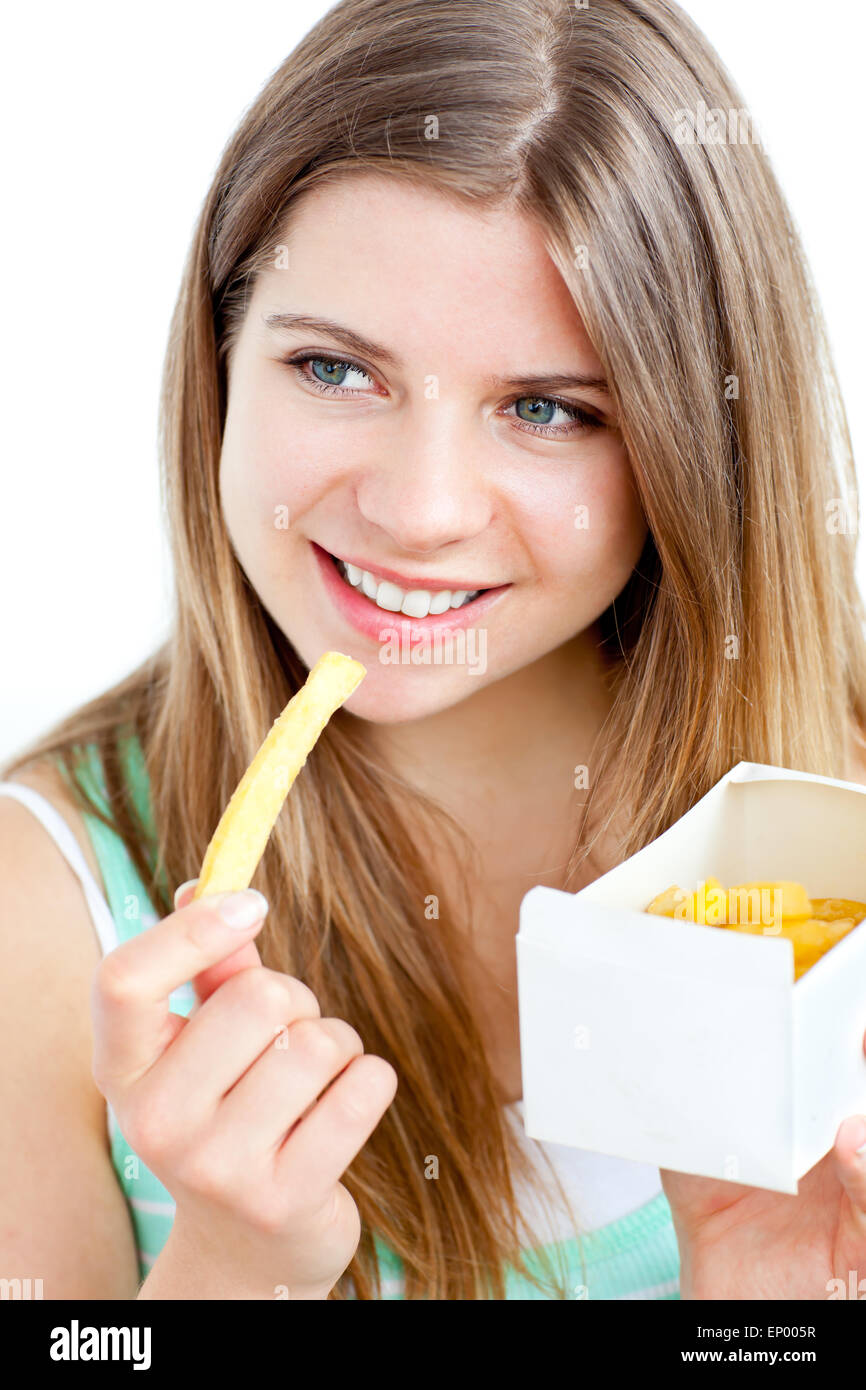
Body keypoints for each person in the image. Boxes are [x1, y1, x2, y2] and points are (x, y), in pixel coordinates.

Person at [2, 0, 866, 1301]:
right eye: (337, 370)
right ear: (222, 355)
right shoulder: (45, 913)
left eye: (543, 408)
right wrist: (232, 1269)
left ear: (696, 450)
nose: (418, 510)